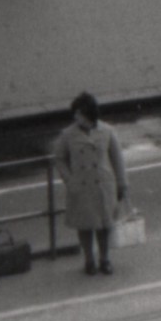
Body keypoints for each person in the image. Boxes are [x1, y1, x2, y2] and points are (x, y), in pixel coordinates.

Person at [51, 92, 131, 278]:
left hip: (103, 185)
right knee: (85, 226)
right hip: (81, 187)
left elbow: (117, 160)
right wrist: (70, 180)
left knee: (104, 226)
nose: (75, 117)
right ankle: (89, 260)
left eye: (78, 114)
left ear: (87, 115)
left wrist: (122, 184)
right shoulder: (67, 135)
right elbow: (60, 159)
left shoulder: (107, 131)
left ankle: (105, 259)